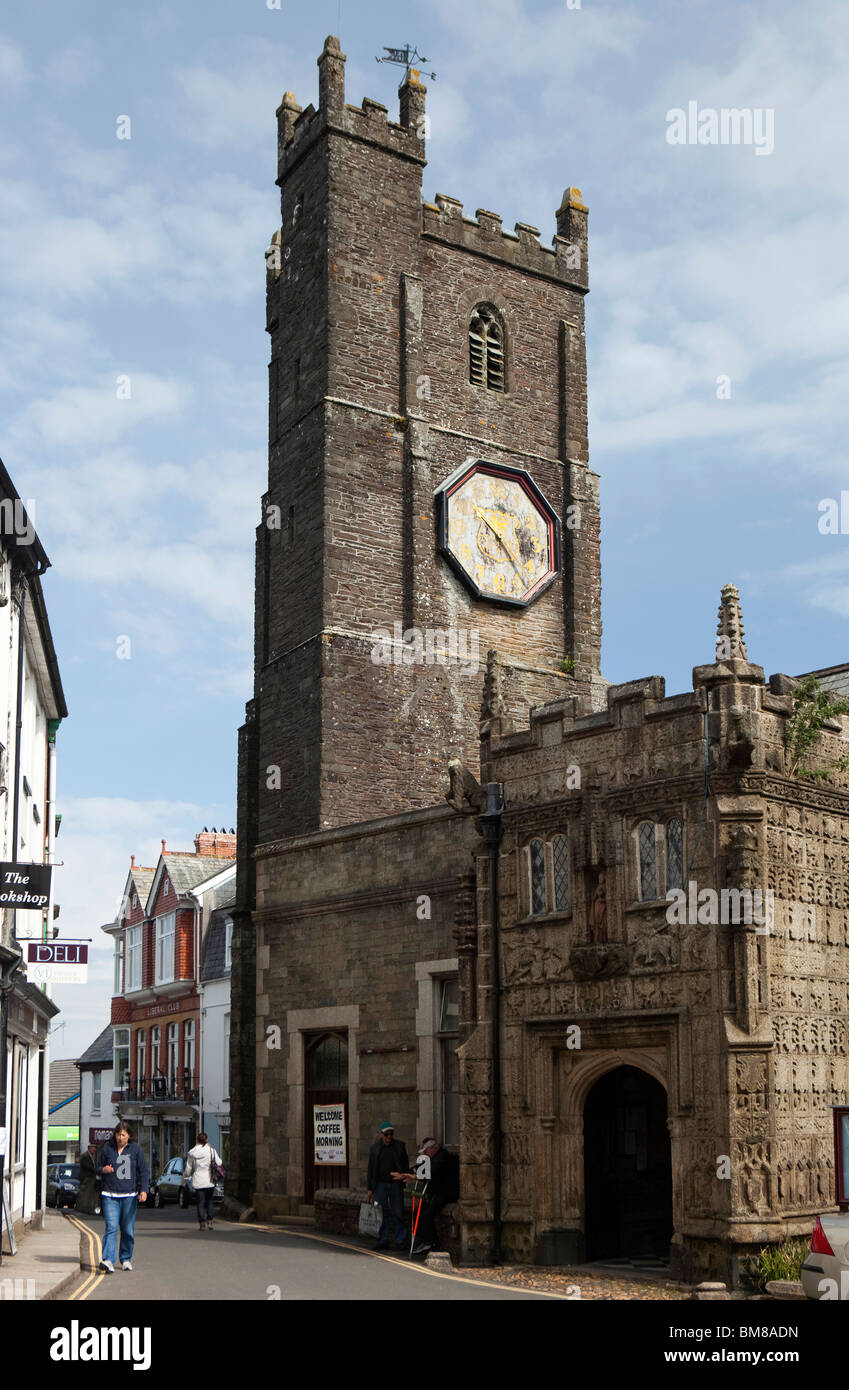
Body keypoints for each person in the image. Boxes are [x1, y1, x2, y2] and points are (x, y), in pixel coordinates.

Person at [96, 1121, 149, 1272]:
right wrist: (103, 1169)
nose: (120, 1138)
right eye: (118, 1134)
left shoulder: (136, 1150)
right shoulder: (107, 1148)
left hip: (129, 1196)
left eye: (123, 1135)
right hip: (109, 1194)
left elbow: (143, 1171)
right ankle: (108, 1260)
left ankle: (126, 1258)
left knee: (127, 1230)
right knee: (111, 1227)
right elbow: (97, 1168)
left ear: (129, 1136)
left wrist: (144, 1190)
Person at [407, 1138, 459, 1255]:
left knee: (429, 1213)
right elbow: (418, 1167)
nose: (425, 1154)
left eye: (426, 1151)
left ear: (434, 1148)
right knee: (417, 1211)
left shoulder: (442, 1156)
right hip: (436, 1192)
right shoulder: (431, 1159)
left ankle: (432, 1243)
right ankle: (426, 1240)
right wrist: (409, 1172)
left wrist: (417, 1173)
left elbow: (431, 1170)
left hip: (447, 1192)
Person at [365, 1122, 410, 1250]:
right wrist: (370, 1188)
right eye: (386, 1134)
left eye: (391, 1134)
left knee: (398, 1212)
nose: (389, 1137)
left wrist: (404, 1176)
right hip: (379, 1185)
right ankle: (383, 1239)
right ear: (381, 1134)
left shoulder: (400, 1146)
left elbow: (405, 1164)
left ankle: (400, 1240)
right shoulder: (375, 1148)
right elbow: (371, 1170)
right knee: (381, 1213)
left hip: (395, 1184)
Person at [183, 1131, 223, 1231]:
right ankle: (210, 1221)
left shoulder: (192, 1152)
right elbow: (219, 1162)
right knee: (209, 1201)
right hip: (210, 1179)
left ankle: (202, 1223)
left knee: (200, 1202)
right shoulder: (211, 1151)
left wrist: (184, 1179)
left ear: (197, 1140)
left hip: (198, 1180)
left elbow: (188, 1169)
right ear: (206, 1140)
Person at [76, 1144, 101, 1215]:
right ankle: (82, 1208)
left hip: (90, 1178)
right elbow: (87, 1167)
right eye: (94, 1148)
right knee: (85, 1194)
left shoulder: (91, 1156)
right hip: (86, 1178)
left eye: (95, 1148)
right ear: (89, 1148)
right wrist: (96, 1170)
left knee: (89, 1194)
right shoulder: (85, 1156)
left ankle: (87, 1208)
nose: (95, 1150)